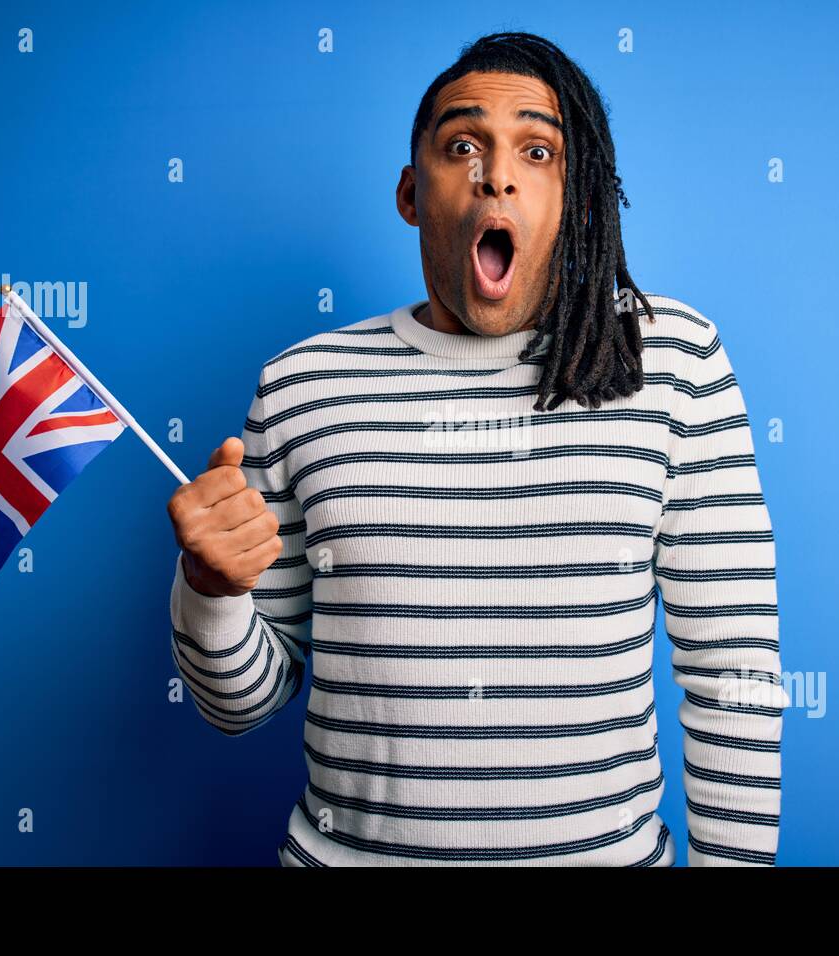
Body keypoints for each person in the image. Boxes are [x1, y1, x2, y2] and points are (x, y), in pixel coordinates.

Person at [165, 30, 789, 866]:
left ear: (580, 200)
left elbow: (734, 675)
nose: (497, 173)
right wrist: (210, 591)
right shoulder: (301, 385)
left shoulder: (668, 361)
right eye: (463, 145)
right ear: (411, 193)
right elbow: (240, 703)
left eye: (538, 150)